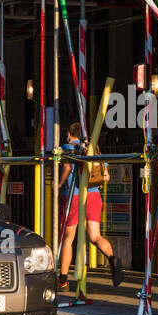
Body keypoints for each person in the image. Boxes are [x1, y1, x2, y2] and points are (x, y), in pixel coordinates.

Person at [57, 122, 123, 289]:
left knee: (68, 238)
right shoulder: (94, 149)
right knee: (95, 236)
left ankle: (63, 279)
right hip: (94, 195)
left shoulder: (67, 147)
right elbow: (106, 176)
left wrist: (58, 184)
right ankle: (112, 259)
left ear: (68, 134)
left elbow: (66, 166)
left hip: (74, 195)